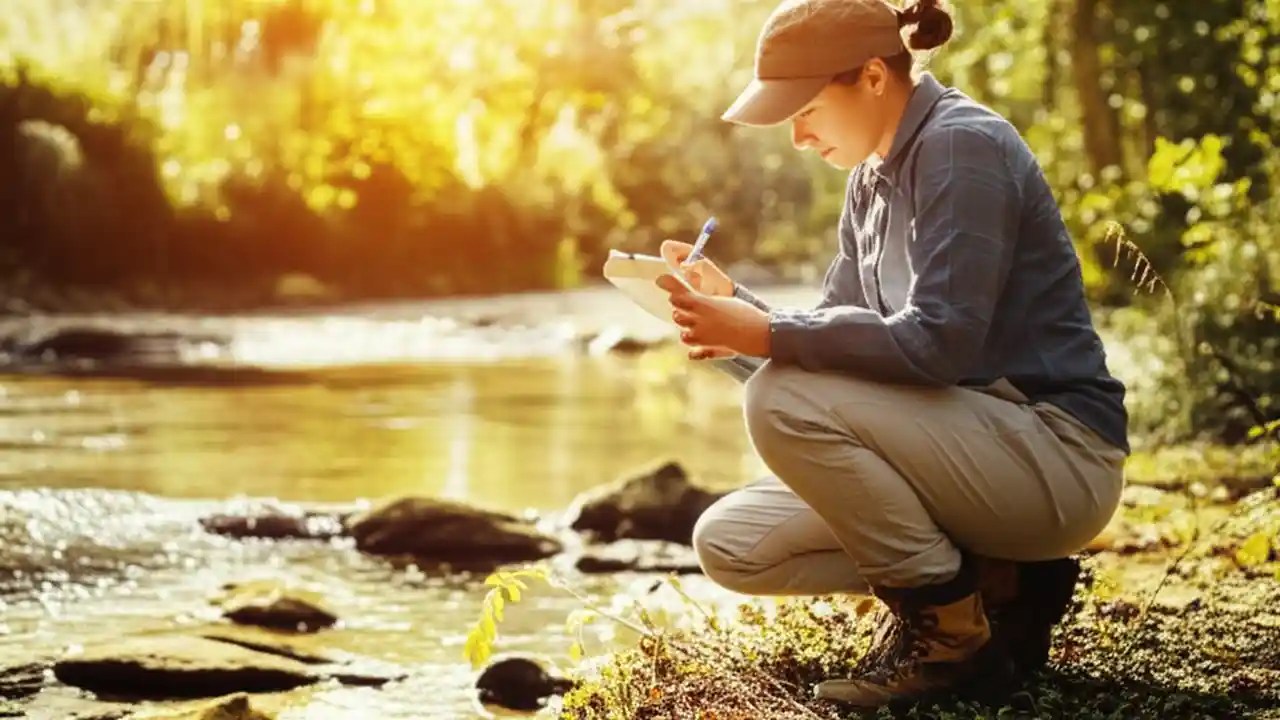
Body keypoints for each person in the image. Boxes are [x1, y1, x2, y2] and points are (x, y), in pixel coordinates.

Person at [654, 0, 1130, 708]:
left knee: (777, 399)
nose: (797, 137)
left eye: (807, 109)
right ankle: (1007, 584)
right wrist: (733, 316)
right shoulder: (869, 182)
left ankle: (954, 645)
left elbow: (938, 344)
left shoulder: (961, 147)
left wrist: (768, 332)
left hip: (1054, 456)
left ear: (874, 76)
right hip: (972, 451)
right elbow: (830, 354)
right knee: (732, 542)